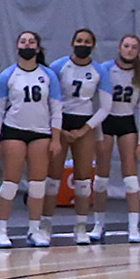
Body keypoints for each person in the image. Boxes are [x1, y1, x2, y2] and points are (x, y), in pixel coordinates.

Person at [0, 32, 61, 247]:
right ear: (17, 47)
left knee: (38, 185)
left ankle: (34, 230)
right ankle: (0, 230)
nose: (27, 45)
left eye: (31, 42)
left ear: (38, 48)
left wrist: (56, 137)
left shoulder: (48, 75)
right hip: (14, 130)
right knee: (10, 183)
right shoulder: (8, 75)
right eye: (23, 41)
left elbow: (56, 108)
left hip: (41, 132)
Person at [49, 29, 107, 244]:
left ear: (93, 45)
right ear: (72, 42)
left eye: (87, 41)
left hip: (85, 123)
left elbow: (105, 107)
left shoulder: (99, 70)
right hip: (61, 121)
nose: (82, 44)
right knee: (52, 179)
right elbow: (50, 100)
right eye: (79, 40)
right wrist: (60, 130)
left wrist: (84, 130)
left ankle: (81, 226)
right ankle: (44, 226)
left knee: (83, 180)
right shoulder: (58, 66)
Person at [92, 35, 140, 243]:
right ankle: (98, 224)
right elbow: (96, 99)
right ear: (119, 48)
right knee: (101, 177)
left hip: (126, 123)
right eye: (126, 46)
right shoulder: (105, 69)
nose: (129, 50)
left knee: (131, 177)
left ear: (138, 52)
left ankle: (133, 227)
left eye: (134, 47)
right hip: (106, 121)